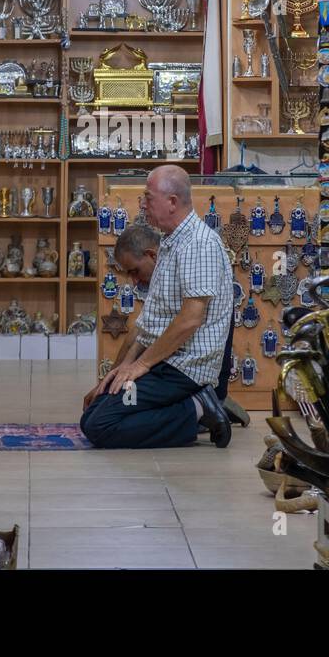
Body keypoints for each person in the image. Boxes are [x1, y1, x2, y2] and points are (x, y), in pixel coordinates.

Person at [79, 165, 233, 448]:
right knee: (95, 410)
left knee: (99, 425)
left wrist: (141, 365)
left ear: (172, 202)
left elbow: (190, 320)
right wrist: (119, 371)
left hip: (183, 368)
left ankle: (197, 408)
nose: (142, 204)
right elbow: (149, 323)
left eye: (148, 197)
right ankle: (192, 407)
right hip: (163, 361)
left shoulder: (198, 244)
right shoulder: (171, 243)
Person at [100, 223, 250, 425]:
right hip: (169, 364)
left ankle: (207, 405)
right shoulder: (161, 274)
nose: (134, 281)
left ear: (152, 255)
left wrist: (138, 365)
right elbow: (141, 330)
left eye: (135, 271)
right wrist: (112, 378)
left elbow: (187, 324)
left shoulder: (188, 269)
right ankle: (205, 405)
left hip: (188, 371)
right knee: (106, 408)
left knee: (108, 417)